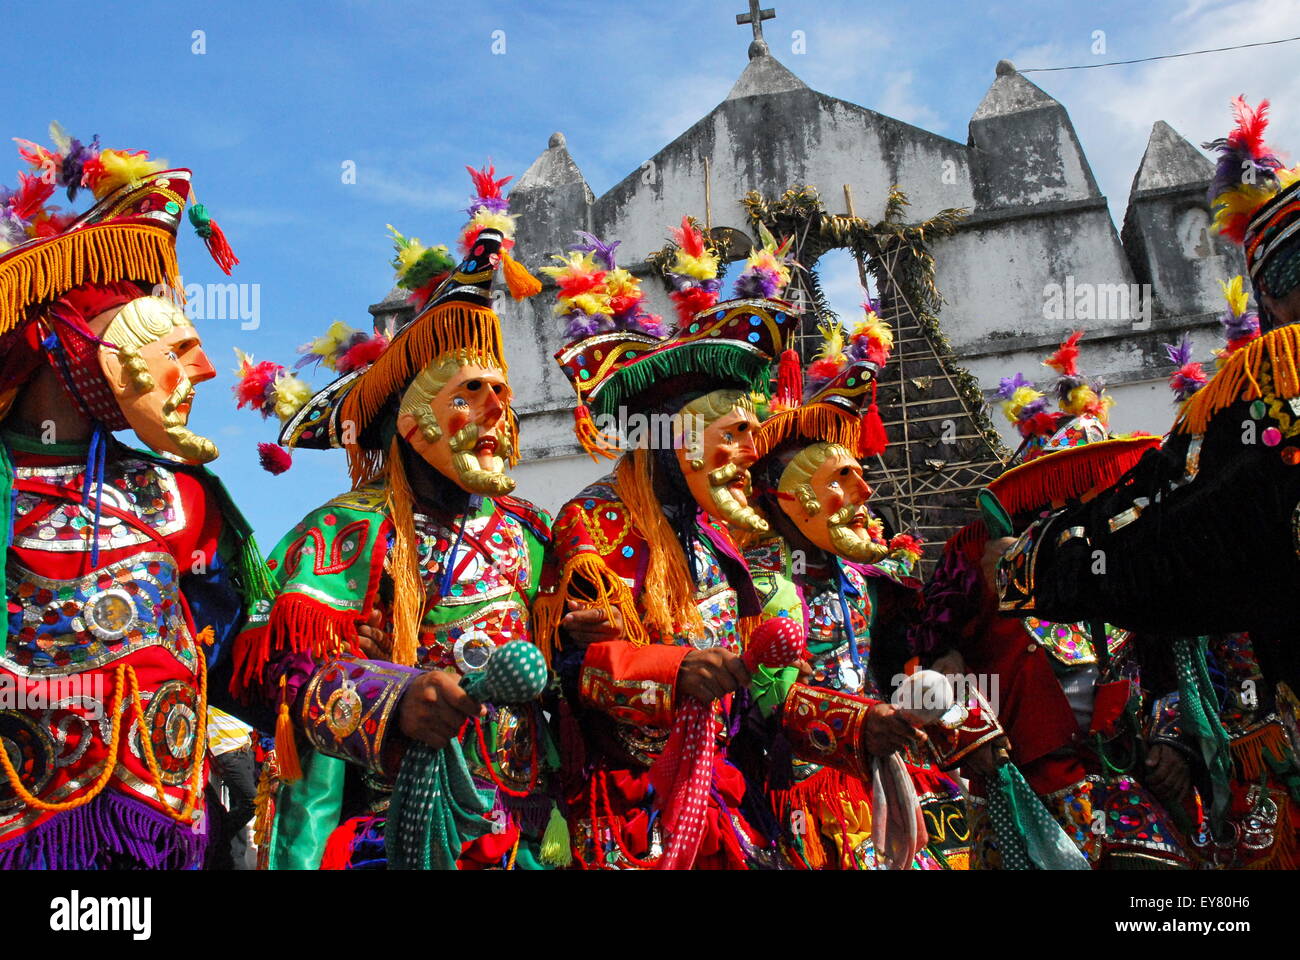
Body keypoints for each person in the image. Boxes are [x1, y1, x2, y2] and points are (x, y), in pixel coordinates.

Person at [231, 166, 612, 869]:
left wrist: (567, 640)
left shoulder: (526, 529)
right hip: (395, 830)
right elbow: (269, 676)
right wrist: (390, 694)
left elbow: (549, 667)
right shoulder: (347, 529)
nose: (502, 410)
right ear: (411, 421)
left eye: (503, 390)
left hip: (521, 819)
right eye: (473, 392)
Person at [0, 126, 272, 868]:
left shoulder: (183, 500)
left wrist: (385, 697)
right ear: (78, 345)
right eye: (179, 348)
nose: (208, 370)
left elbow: (253, 665)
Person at [736, 302, 986, 869]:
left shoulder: (873, 580)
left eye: (861, 477)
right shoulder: (747, 586)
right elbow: (751, 700)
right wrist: (856, 726)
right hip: (796, 796)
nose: (863, 496)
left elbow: (906, 669)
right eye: (838, 480)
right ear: (787, 497)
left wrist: (961, 725)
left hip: (887, 781)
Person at [936, 335, 1193, 868]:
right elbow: (925, 661)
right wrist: (967, 728)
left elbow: (1168, 667)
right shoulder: (978, 566)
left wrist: (1173, 746)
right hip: (1027, 788)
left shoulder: (1128, 563)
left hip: (1126, 779)